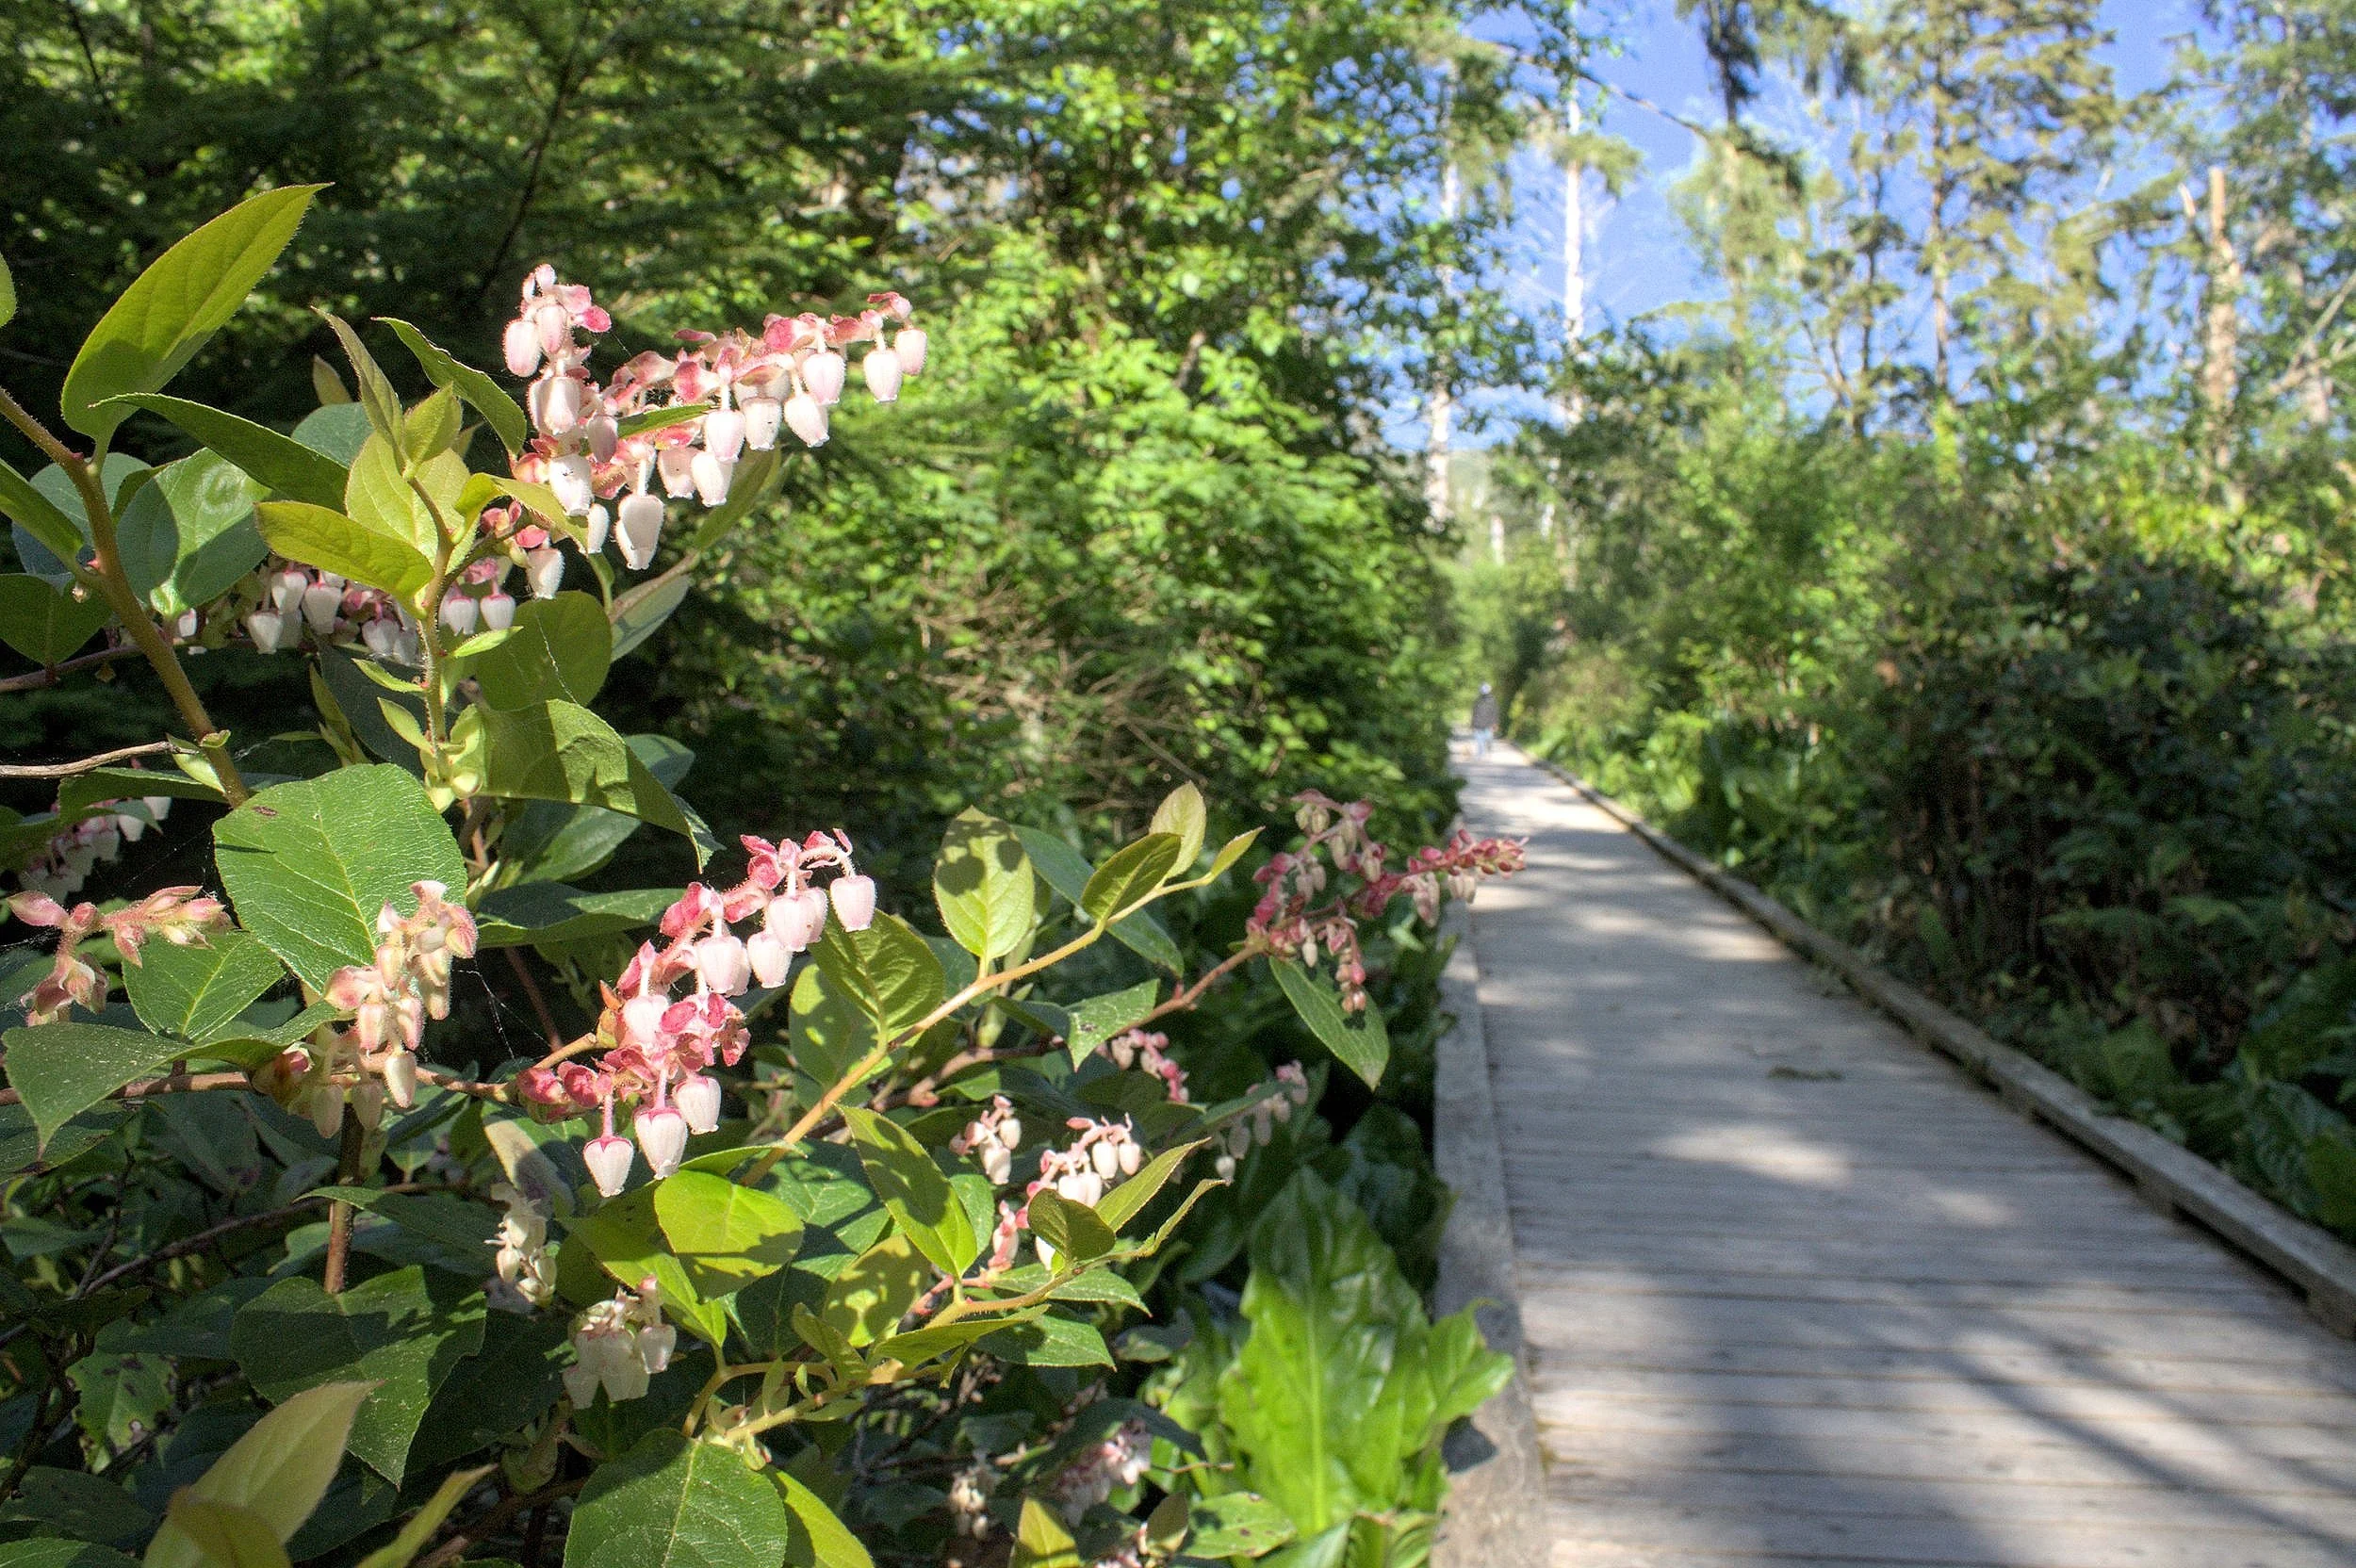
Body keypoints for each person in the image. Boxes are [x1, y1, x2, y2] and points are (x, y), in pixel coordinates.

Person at [1469, 683, 1499, 758]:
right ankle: (1481, 754)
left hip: (1489, 724)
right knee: (1479, 741)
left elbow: (1495, 712)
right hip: (1478, 724)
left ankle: (1488, 748)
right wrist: (1472, 724)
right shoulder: (1478, 701)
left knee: (1489, 738)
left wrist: (1495, 723)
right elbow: (1474, 713)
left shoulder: (1493, 701)